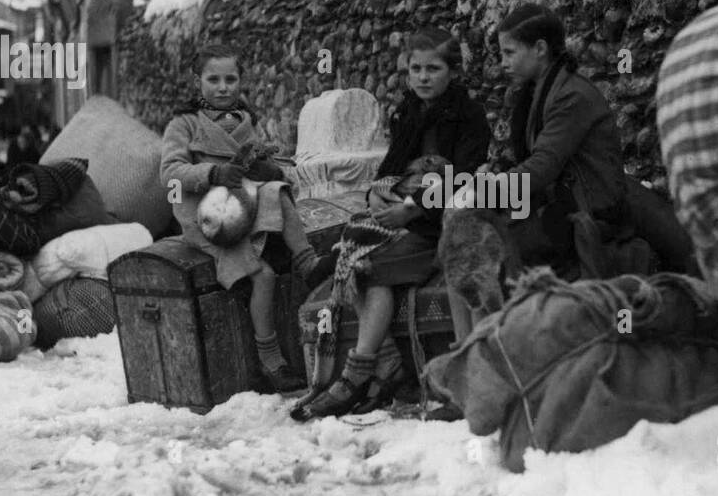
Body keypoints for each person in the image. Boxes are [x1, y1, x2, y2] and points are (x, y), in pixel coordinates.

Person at [293, 27, 491, 420]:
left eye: (433, 68)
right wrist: (377, 193)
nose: (422, 77)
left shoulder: (469, 116)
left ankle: (360, 372)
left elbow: (465, 176)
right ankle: (381, 365)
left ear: (452, 70)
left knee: (368, 268)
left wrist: (413, 209)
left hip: (446, 222)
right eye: (416, 68)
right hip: (408, 216)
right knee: (355, 248)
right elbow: (391, 168)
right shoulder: (409, 112)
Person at [160, 43, 332, 394]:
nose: (223, 87)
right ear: (198, 82)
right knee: (264, 275)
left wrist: (264, 164)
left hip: (244, 203)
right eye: (213, 79)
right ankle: (272, 362)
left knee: (279, 190)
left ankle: (307, 261)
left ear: (240, 80)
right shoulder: (184, 124)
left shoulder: (243, 119)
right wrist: (212, 173)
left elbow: (251, 165)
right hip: (207, 217)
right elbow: (170, 174)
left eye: (230, 78)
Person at [449, 4, 626, 338]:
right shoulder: (539, 92)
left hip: (585, 209)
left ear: (541, 49)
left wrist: (478, 195)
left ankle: (494, 352)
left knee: (476, 252)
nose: (502, 63)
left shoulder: (571, 96)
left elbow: (541, 169)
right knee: (463, 242)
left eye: (509, 52)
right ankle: (471, 351)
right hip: (556, 201)